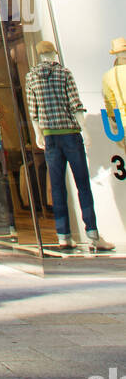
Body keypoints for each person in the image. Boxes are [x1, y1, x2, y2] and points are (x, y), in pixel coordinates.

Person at [25, 39, 114, 252]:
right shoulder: (64, 73)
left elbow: (33, 110)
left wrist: (39, 134)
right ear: (53, 54)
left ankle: (63, 235)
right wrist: (85, 130)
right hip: (70, 134)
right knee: (82, 184)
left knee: (57, 187)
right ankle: (92, 232)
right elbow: (75, 104)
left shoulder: (31, 77)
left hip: (50, 136)